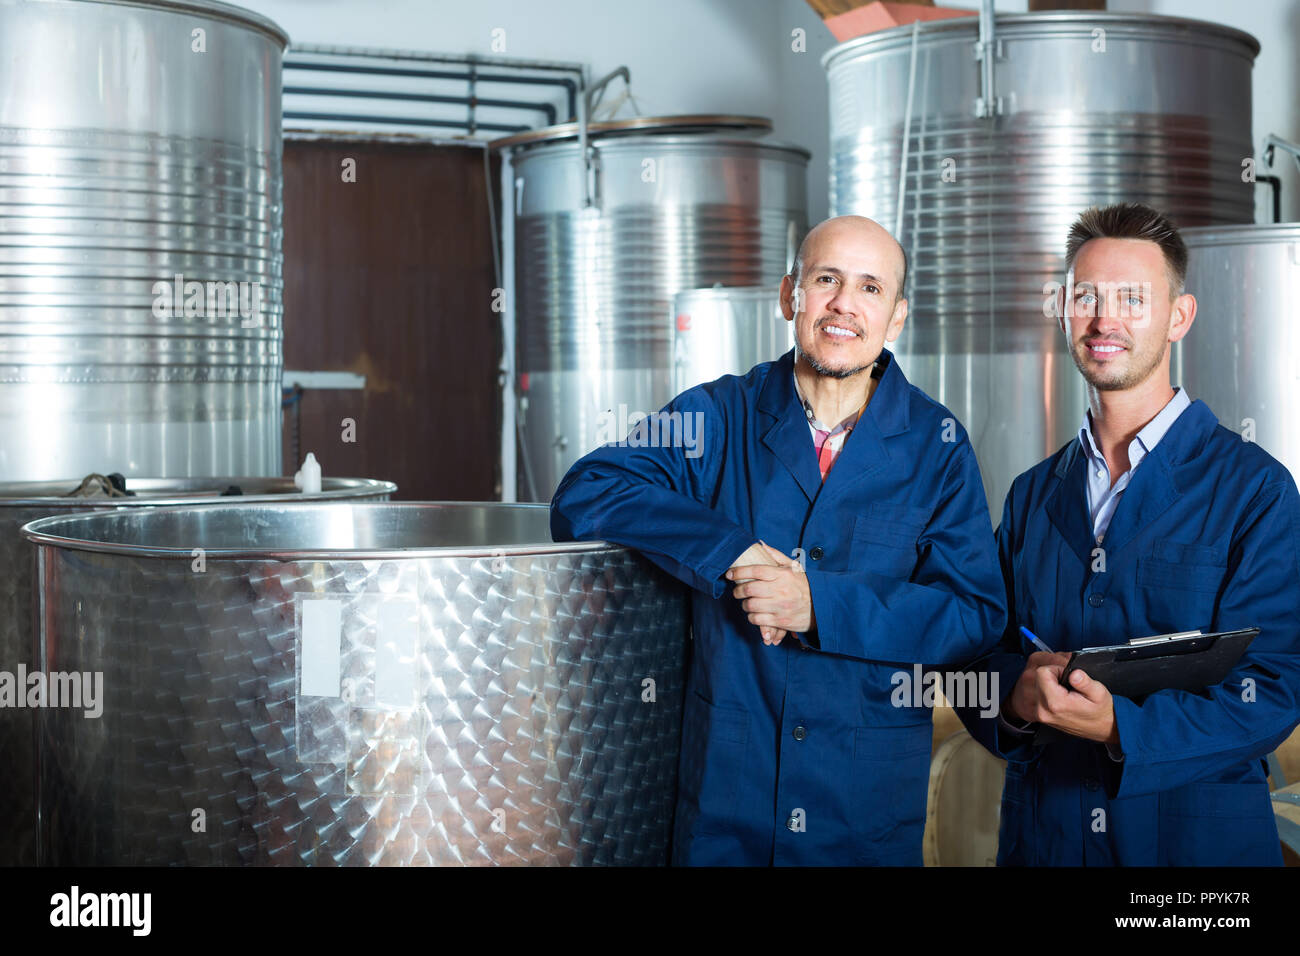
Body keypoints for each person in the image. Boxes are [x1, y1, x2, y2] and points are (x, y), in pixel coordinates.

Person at [550, 215, 1005, 865]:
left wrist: (820, 605)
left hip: (860, 819)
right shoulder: (717, 417)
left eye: (871, 288)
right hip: (726, 809)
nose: (845, 303)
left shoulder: (936, 445)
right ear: (790, 295)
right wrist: (730, 551)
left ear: (896, 318)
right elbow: (585, 492)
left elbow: (973, 615)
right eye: (827, 280)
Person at [958, 202, 1300, 865]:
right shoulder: (1033, 494)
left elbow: (1274, 687)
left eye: (1132, 299)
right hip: (1045, 838)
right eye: (1085, 296)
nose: (1103, 319)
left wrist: (1124, 726)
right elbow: (979, 649)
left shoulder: (1254, 489)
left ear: (1179, 317)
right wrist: (1015, 699)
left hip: (1191, 851)